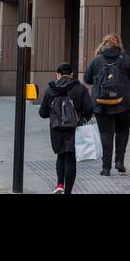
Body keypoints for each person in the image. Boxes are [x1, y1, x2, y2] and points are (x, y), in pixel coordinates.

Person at [83, 34, 130, 175]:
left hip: (102, 104)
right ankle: (119, 161)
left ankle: (106, 167)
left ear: (103, 44)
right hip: (124, 103)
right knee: (122, 132)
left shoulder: (96, 60)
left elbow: (87, 79)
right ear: (118, 44)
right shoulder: (125, 59)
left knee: (105, 134)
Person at [38, 61, 94, 194]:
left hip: (56, 129)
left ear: (57, 75)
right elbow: (89, 109)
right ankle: (68, 191)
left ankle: (59, 184)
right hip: (74, 128)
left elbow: (42, 113)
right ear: (72, 74)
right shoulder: (80, 88)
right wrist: (82, 118)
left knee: (60, 156)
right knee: (70, 158)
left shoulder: (50, 90)